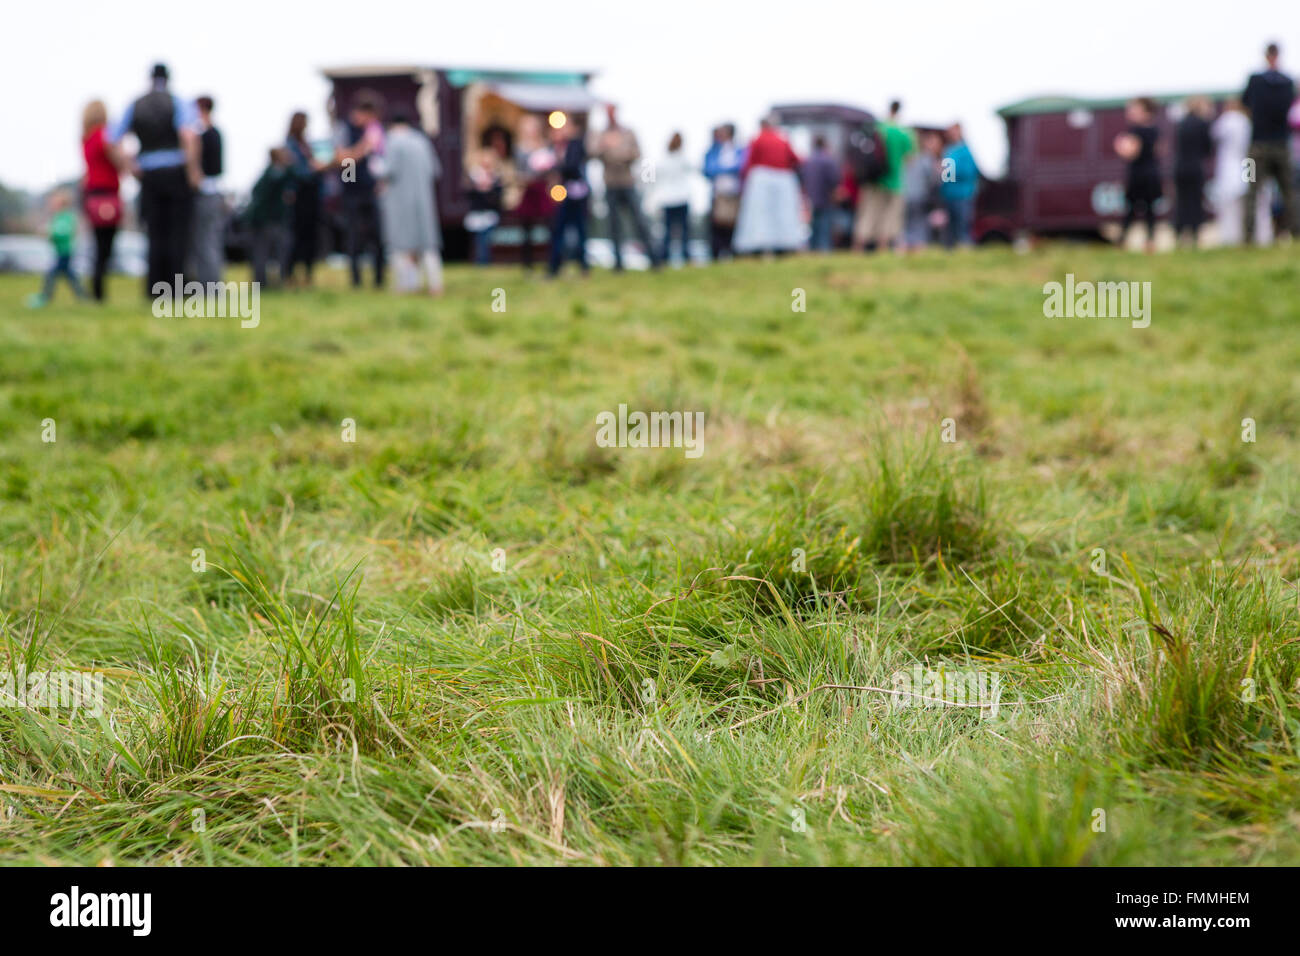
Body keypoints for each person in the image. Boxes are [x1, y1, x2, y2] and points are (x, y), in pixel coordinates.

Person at [109, 63, 201, 294]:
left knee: (154, 233)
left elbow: (112, 140)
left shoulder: (136, 104)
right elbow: (188, 136)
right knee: (178, 233)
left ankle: (154, 289)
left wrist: (130, 166)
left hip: (149, 176)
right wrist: (192, 172)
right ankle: (177, 289)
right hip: (176, 174)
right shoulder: (178, 101)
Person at [382, 109, 443, 295]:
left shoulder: (393, 141)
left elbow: (387, 171)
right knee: (428, 244)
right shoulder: (422, 141)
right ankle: (435, 284)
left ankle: (407, 286)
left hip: (399, 202)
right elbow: (436, 171)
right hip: (424, 201)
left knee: (401, 244)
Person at [590, 104, 658, 270]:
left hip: (628, 183)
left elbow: (637, 153)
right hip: (610, 183)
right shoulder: (601, 134)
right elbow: (592, 153)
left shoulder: (628, 132)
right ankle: (618, 264)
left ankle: (654, 259)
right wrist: (606, 146)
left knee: (640, 221)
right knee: (613, 225)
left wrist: (617, 154)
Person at [1242, 42, 1296, 242]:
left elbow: (1245, 102)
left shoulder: (1255, 80)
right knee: (1289, 191)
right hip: (1282, 145)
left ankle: (1248, 237)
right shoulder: (1288, 82)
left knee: (1251, 190)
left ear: (1266, 56)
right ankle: (1295, 234)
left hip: (1257, 146)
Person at [335, 91, 387, 288]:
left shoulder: (375, 130)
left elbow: (381, 159)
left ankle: (379, 280)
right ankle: (356, 281)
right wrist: (362, 148)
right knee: (354, 238)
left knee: (377, 237)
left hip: (371, 190)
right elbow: (342, 160)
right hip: (351, 192)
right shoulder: (345, 130)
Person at [732, 117, 803, 255]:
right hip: (783, 180)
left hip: (761, 180)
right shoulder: (783, 140)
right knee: (782, 213)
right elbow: (796, 159)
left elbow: (749, 163)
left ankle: (759, 244)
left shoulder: (757, 140)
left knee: (760, 214)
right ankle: (784, 243)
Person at [852, 100, 915, 252]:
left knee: (868, 212)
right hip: (894, 180)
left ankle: (858, 247)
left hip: (873, 179)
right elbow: (910, 158)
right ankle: (883, 246)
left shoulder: (877, 128)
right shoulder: (904, 133)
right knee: (890, 215)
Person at [1211, 99, 1272, 245]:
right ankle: (1261, 235)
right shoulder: (1248, 121)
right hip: (1249, 164)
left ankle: (1232, 237)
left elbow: (1214, 136)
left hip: (1231, 167)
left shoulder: (1226, 120)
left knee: (1231, 205)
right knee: (1255, 201)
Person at [80, 100, 122, 302]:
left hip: (92, 194)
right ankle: (98, 293)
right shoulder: (102, 135)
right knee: (105, 247)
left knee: (97, 245)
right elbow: (117, 159)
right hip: (107, 195)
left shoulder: (85, 138)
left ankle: (96, 291)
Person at [1113, 97, 1162, 253]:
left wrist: (1119, 144)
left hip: (1138, 173)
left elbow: (1130, 151)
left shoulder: (1135, 131)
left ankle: (1122, 240)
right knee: (1149, 210)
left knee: (1131, 208)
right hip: (1152, 172)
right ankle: (1150, 241)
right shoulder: (1155, 130)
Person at [284, 111, 325, 286]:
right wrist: (312, 169)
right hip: (299, 195)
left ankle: (307, 274)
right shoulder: (290, 145)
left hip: (312, 194)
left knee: (311, 236)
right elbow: (294, 170)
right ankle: (290, 273)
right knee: (296, 236)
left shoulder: (307, 144)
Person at [187, 96, 224, 284]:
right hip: (214, 194)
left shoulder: (203, 135)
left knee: (205, 243)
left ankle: (209, 288)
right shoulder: (216, 133)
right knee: (210, 241)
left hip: (205, 194)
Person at [547, 117, 590, 277]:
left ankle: (584, 266)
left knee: (580, 230)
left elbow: (572, 166)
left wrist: (556, 164)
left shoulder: (576, 145)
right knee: (558, 230)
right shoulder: (553, 147)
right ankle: (555, 266)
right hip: (561, 193)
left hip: (576, 194)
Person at [29, 190, 87, 306]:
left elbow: (63, 232)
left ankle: (45, 297)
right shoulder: (58, 217)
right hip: (60, 251)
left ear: (62, 204)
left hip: (65, 251)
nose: (51, 206)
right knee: (70, 276)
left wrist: (49, 233)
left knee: (51, 275)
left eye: (54, 203)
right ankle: (83, 297)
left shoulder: (66, 217)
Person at [513, 115, 556, 270]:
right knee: (526, 227)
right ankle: (527, 262)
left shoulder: (546, 145)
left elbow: (552, 170)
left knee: (550, 225)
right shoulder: (520, 148)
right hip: (529, 188)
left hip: (542, 189)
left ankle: (551, 259)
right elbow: (518, 170)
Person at [247, 148, 293, 287]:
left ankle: (262, 283)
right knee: (273, 251)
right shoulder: (277, 174)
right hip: (268, 221)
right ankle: (270, 283)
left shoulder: (267, 174)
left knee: (262, 253)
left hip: (263, 220)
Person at [1172, 97, 1214, 247]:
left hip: (1180, 167)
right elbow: (1208, 148)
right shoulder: (1202, 124)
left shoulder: (1182, 123)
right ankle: (1195, 235)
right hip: (1195, 167)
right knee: (1195, 202)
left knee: (1181, 202)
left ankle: (1178, 235)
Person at [703, 123, 744, 259]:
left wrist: (722, 169)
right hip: (718, 195)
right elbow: (708, 169)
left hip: (735, 195)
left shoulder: (738, 149)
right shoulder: (714, 151)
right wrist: (728, 169)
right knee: (717, 227)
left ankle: (733, 254)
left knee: (733, 227)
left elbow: (742, 167)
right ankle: (716, 255)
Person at [939, 124, 980, 249]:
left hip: (963, 194)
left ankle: (965, 248)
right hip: (949, 194)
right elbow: (946, 176)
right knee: (950, 226)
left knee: (963, 225)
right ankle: (951, 250)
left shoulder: (967, 151)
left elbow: (970, 172)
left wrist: (950, 171)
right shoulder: (948, 150)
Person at [654, 132, 692, 265]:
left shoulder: (663, 160)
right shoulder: (682, 159)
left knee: (668, 231)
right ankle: (686, 257)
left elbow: (654, 177)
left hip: (668, 199)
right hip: (680, 198)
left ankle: (664, 257)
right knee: (684, 231)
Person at [902, 132, 942, 251]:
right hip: (919, 197)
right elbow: (935, 180)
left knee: (905, 227)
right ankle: (918, 252)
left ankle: (903, 251)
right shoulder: (927, 159)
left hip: (905, 196)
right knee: (919, 227)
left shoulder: (910, 158)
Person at [801, 134, 840, 252]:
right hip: (825, 198)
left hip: (811, 198)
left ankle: (812, 250)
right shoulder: (828, 160)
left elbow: (802, 177)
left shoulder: (808, 160)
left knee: (814, 227)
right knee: (824, 227)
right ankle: (824, 251)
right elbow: (834, 179)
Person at [465, 148, 503, 266]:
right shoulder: (474, 177)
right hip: (477, 213)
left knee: (485, 239)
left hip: (490, 214)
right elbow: (469, 194)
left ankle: (485, 261)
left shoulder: (496, 178)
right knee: (479, 239)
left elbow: (498, 198)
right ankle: (480, 261)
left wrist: (489, 189)